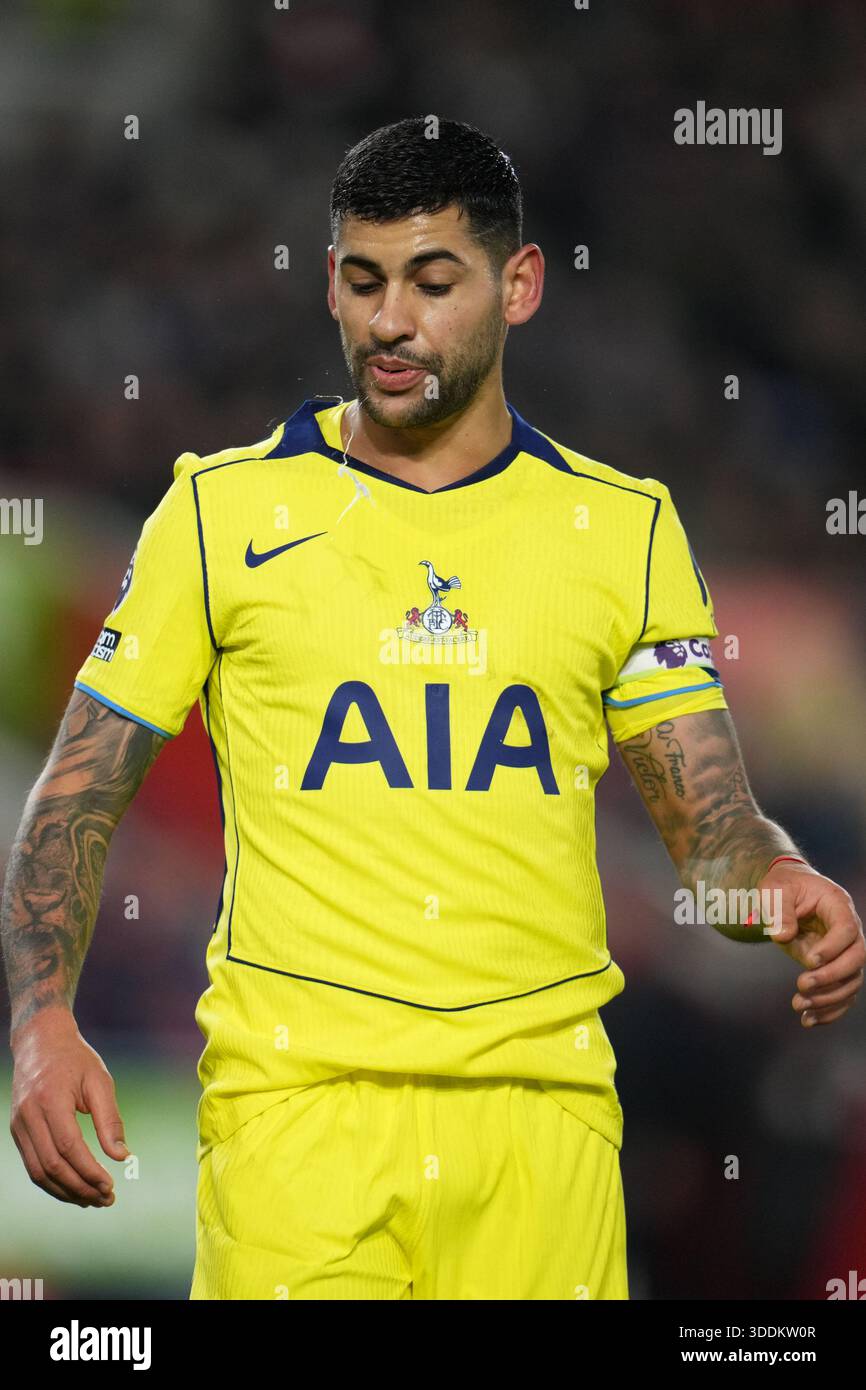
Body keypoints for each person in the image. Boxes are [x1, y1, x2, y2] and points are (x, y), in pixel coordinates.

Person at [2, 117, 863, 1301]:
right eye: (363, 281)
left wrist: (773, 886)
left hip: (543, 1134)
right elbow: (77, 793)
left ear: (518, 286)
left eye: (431, 281)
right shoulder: (218, 518)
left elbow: (706, 828)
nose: (390, 321)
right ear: (329, 286)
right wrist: (43, 1022)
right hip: (297, 1129)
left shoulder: (620, 532)